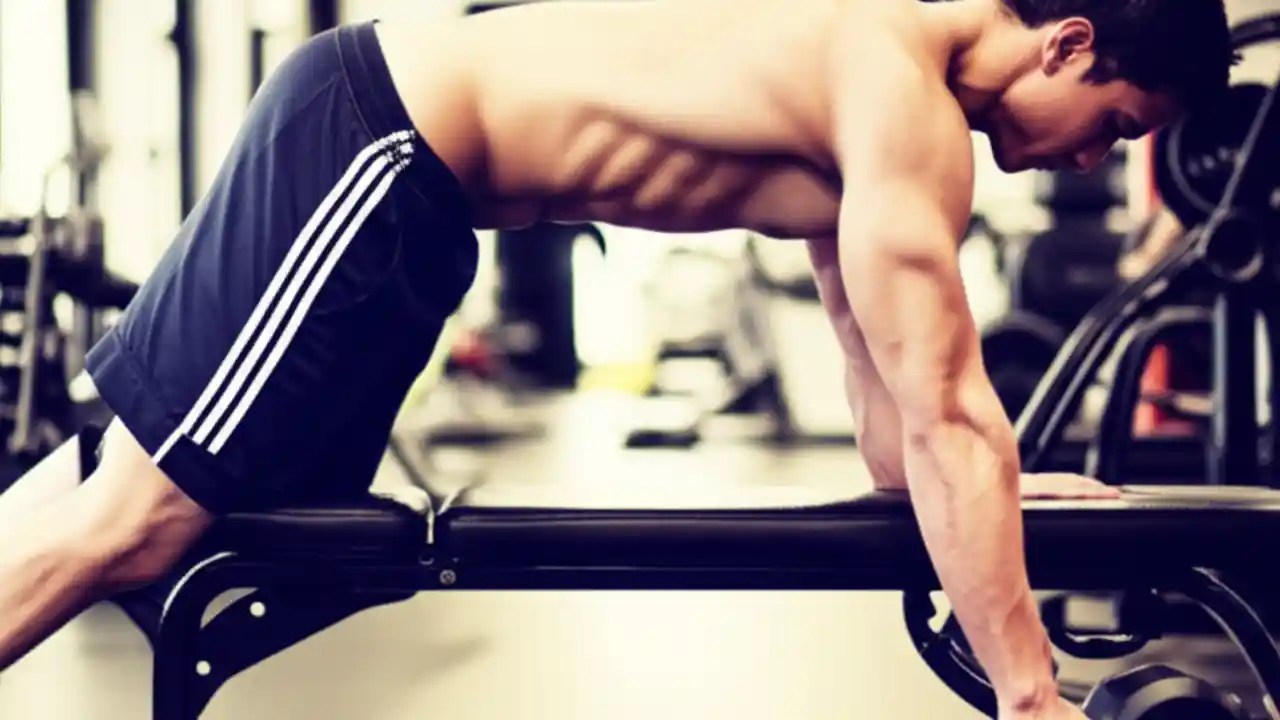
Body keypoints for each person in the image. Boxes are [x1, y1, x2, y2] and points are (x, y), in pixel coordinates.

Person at [0, 0, 1233, 716]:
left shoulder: (882, 84)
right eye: (1113, 125)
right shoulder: (900, 100)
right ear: (1066, 45)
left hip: (409, 182)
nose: (1092, 159)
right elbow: (950, 414)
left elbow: (895, 398)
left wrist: (990, 493)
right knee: (141, 522)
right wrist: (1028, 696)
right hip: (382, 144)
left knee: (161, 493)